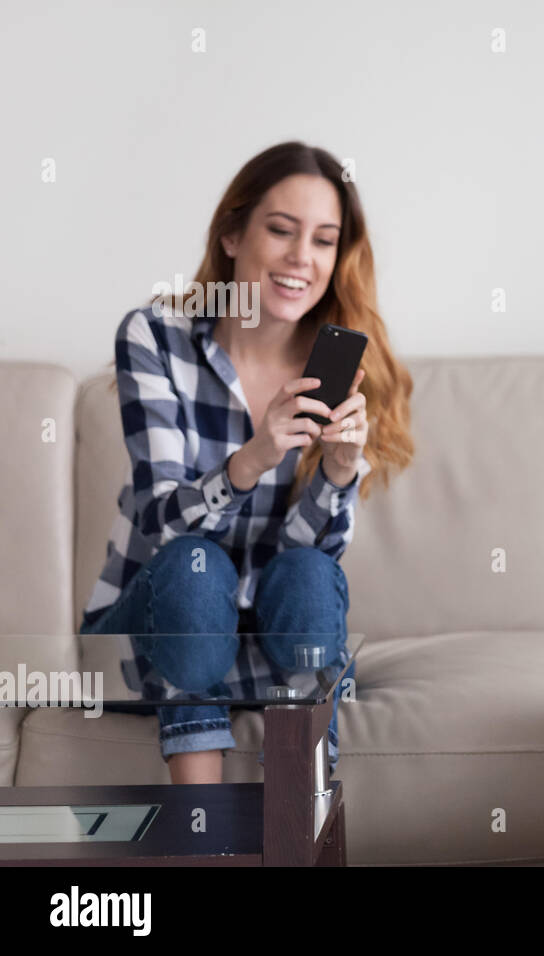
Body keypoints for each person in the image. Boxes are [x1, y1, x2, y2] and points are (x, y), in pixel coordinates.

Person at [80, 141, 414, 785]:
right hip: (149, 634)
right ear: (233, 234)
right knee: (193, 568)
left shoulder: (334, 364)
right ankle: (199, 838)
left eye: (323, 240)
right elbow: (162, 524)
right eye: (281, 230)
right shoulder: (156, 338)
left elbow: (302, 565)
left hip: (262, 642)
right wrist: (256, 455)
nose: (301, 259)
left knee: (311, 575)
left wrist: (338, 472)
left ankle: (301, 833)